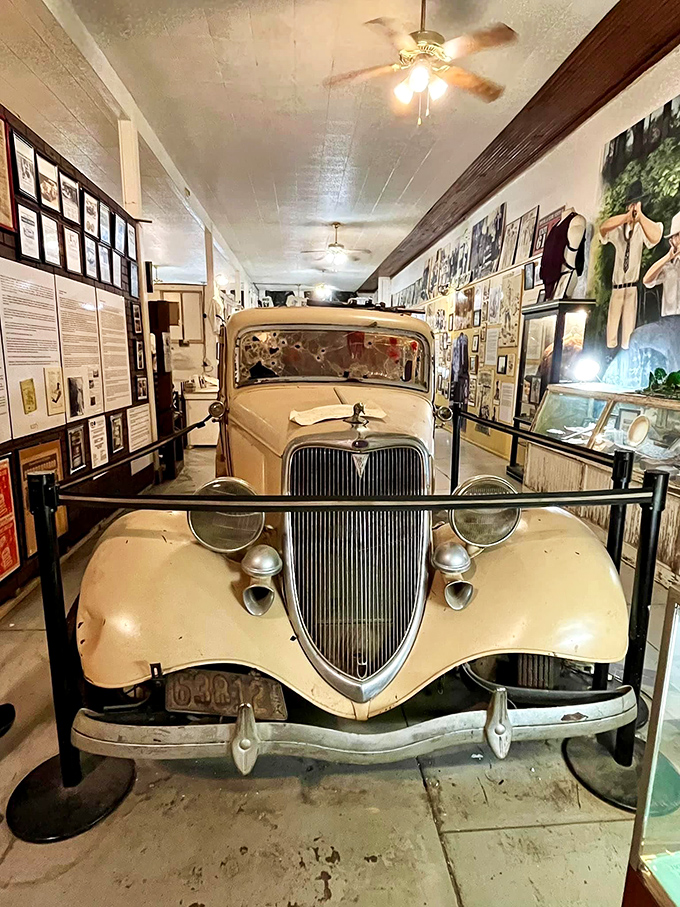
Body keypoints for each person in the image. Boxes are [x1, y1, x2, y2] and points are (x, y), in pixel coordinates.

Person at [599, 179, 663, 349]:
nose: (633, 208)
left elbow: (656, 236)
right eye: (631, 205)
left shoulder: (643, 228)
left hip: (632, 287)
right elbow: (603, 228)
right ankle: (609, 354)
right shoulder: (618, 229)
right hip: (617, 287)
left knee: (628, 334)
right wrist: (626, 218)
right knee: (611, 335)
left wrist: (640, 216)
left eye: (636, 204)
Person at [643, 211, 680, 316]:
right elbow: (647, 280)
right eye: (676, 235)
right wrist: (668, 257)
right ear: (671, 241)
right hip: (669, 320)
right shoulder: (667, 267)